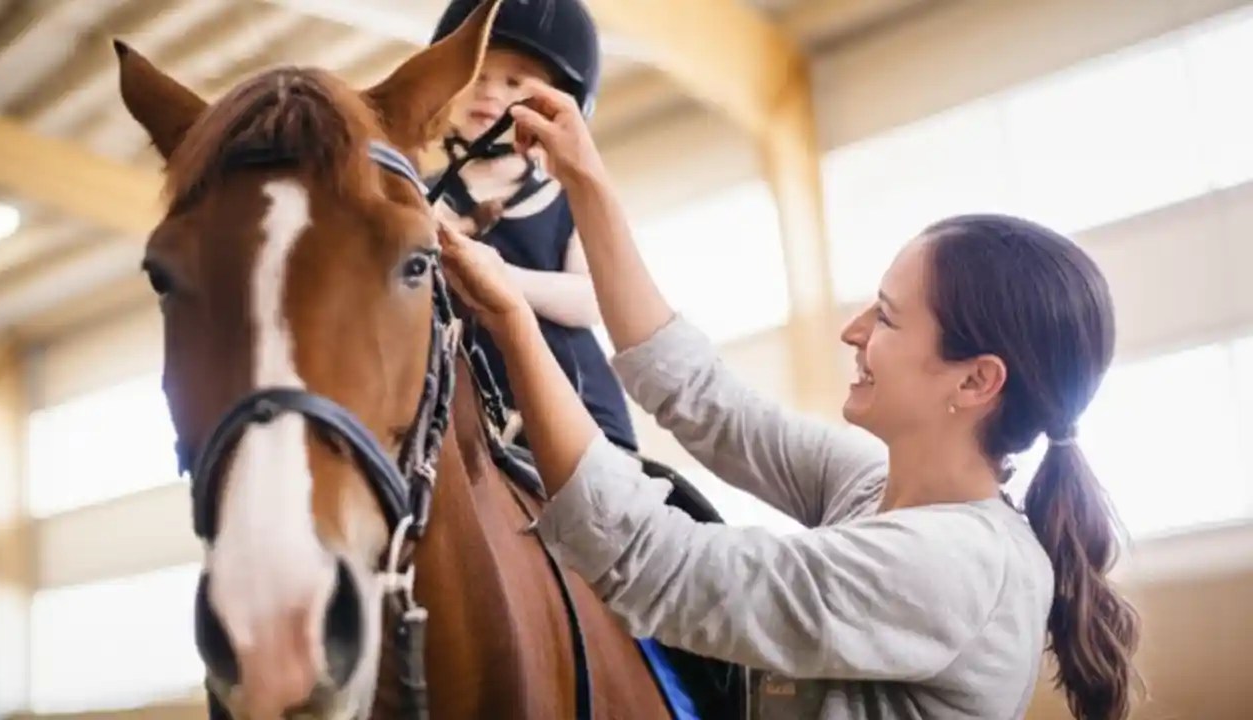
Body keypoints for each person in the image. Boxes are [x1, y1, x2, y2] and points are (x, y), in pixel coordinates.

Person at [434, 77, 1144, 719]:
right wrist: (586, 180)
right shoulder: (875, 489)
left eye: (888, 319)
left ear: (975, 381)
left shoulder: (956, 569)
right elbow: (704, 397)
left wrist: (510, 318)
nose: (853, 330)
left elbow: (659, 565)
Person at [427, 0, 639, 452]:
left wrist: (497, 277)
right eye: (476, 76)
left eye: (512, 81)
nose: (487, 92)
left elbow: (590, 299)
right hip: (456, 417)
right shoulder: (421, 200)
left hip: (577, 410)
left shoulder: (568, 194)